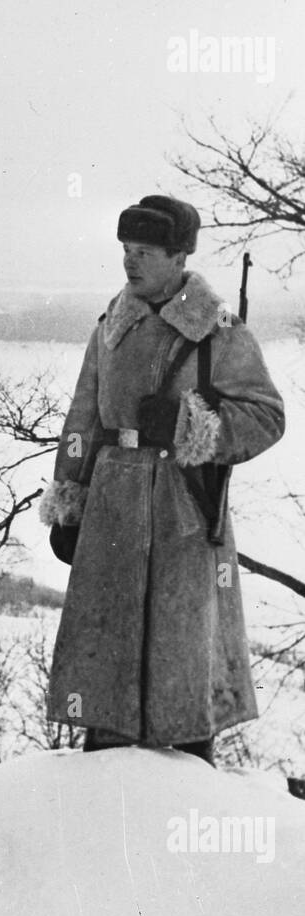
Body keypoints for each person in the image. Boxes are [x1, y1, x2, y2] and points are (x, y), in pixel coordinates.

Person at [39, 195, 285, 764]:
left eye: (145, 251)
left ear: (178, 257)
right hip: (112, 503)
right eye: (126, 249)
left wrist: (185, 424)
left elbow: (266, 417)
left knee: (184, 646)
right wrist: (69, 501)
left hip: (184, 505)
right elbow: (82, 421)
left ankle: (192, 767)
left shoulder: (218, 330)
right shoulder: (111, 326)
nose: (130, 261)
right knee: (107, 644)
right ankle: (104, 758)